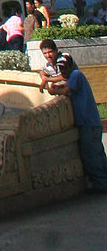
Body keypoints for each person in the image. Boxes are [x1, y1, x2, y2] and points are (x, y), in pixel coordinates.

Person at [42, 51, 107, 192]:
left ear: (70, 66)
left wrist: (53, 90)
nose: (63, 71)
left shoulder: (76, 75)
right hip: (90, 122)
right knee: (97, 153)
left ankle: (101, 185)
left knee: (92, 155)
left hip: (88, 123)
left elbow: (66, 90)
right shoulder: (73, 76)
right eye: (61, 69)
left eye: (64, 68)